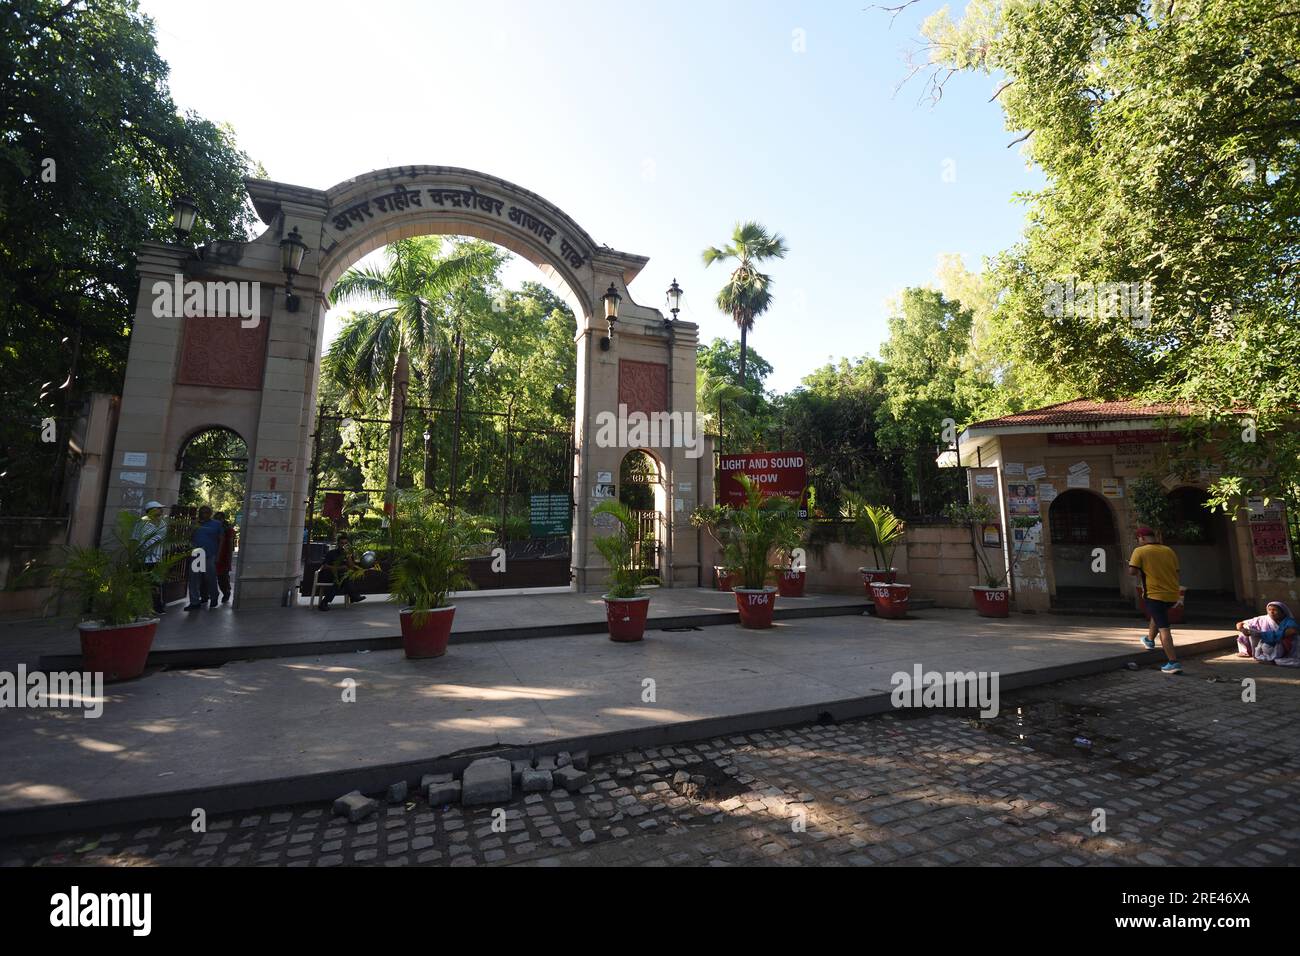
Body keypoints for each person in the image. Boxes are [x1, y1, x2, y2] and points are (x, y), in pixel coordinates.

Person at [1128, 526, 1183, 674]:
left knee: (1164, 628)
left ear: (1142, 538)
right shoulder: (1168, 550)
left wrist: (1142, 567)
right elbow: (1176, 570)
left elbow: (1132, 571)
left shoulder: (1140, 551)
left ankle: (1173, 662)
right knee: (1158, 615)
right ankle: (1149, 640)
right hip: (1172, 593)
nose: (1138, 541)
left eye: (1138, 539)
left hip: (1154, 594)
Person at [132, 500, 169, 615]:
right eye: (159, 508)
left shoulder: (163, 523)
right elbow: (134, 539)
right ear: (151, 510)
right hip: (142, 559)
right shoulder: (141, 523)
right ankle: (136, 609)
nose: (161, 510)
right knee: (138, 584)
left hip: (156, 559)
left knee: (156, 585)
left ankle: (157, 607)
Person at [185, 505, 224, 611]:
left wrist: (218, 556)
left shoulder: (217, 524)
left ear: (210, 513)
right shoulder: (195, 523)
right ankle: (194, 602)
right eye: (202, 512)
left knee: (210, 578)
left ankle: (214, 597)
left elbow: (221, 540)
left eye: (206, 512)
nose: (204, 514)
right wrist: (193, 527)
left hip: (210, 555)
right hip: (196, 554)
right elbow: (188, 537)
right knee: (194, 579)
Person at [318, 532, 367, 611]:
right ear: (338, 544)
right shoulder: (331, 553)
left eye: (346, 543)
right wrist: (339, 568)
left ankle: (324, 603)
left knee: (342, 579)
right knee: (343, 579)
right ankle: (354, 596)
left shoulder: (348, 554)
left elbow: (351, 567)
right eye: (342, 543)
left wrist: (348, 556)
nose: (343, 545)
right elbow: (325, 566)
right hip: (329, 575)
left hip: (341, 577)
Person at [215, 511, 236, 605]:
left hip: (224, 555)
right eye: (216, 518)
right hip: (214, 553)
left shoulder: (228, 529)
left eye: (219, 518)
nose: (218, 520)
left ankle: (226, 592)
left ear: (223, 519)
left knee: (222, 577)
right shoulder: (214, 527)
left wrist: (229, 558)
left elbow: (230, 543)